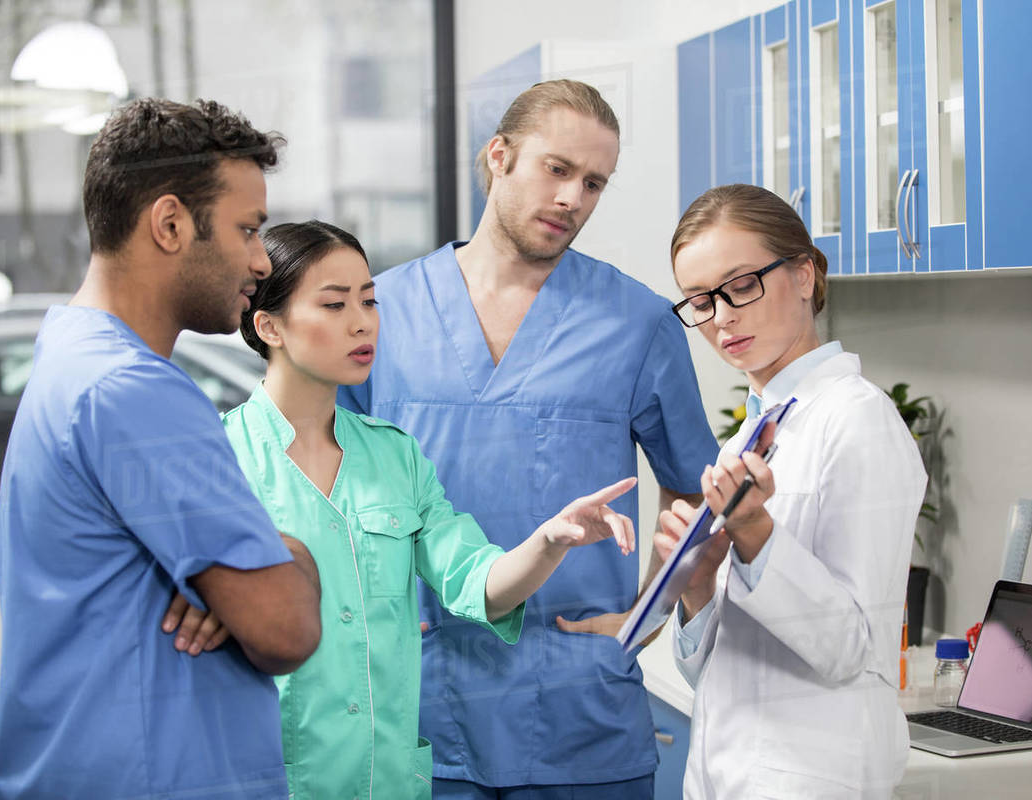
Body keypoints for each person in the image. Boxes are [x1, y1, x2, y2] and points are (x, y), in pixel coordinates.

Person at [339, 79, 720, 797]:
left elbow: (695, 493)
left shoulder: (637, 325)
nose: (573, 197)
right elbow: (326, 482)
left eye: (594, 183)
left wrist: (646, 616)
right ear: (499, 156)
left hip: (576, 710)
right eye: (557, 169)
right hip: (420, 698)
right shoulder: (382, 312)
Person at [221, 219, 639, 799]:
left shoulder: (395, 456)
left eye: (369, 300)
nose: (362, 321)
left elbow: (476, 581)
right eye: (335, 304)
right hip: (278, 779)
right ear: (270, 326)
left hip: (387, 780)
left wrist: (550, 540)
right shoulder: (220, 462)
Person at [0, 98, 322, 800]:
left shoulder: (70, 356)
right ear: (171, 224)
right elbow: (286, 628)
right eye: (248, 230)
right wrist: (291, 557)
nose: (262, 261)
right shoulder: (135, 390)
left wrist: (239, 580)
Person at [659, 183, 927, 798]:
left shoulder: (859, 420)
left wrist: (755, 534)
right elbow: (716, 672)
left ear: (803, 274)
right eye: (699, 299)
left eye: (741, 284)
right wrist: (697, 587)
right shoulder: (746, 439)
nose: (721, 316)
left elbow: (851, 649)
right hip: (725, 773)